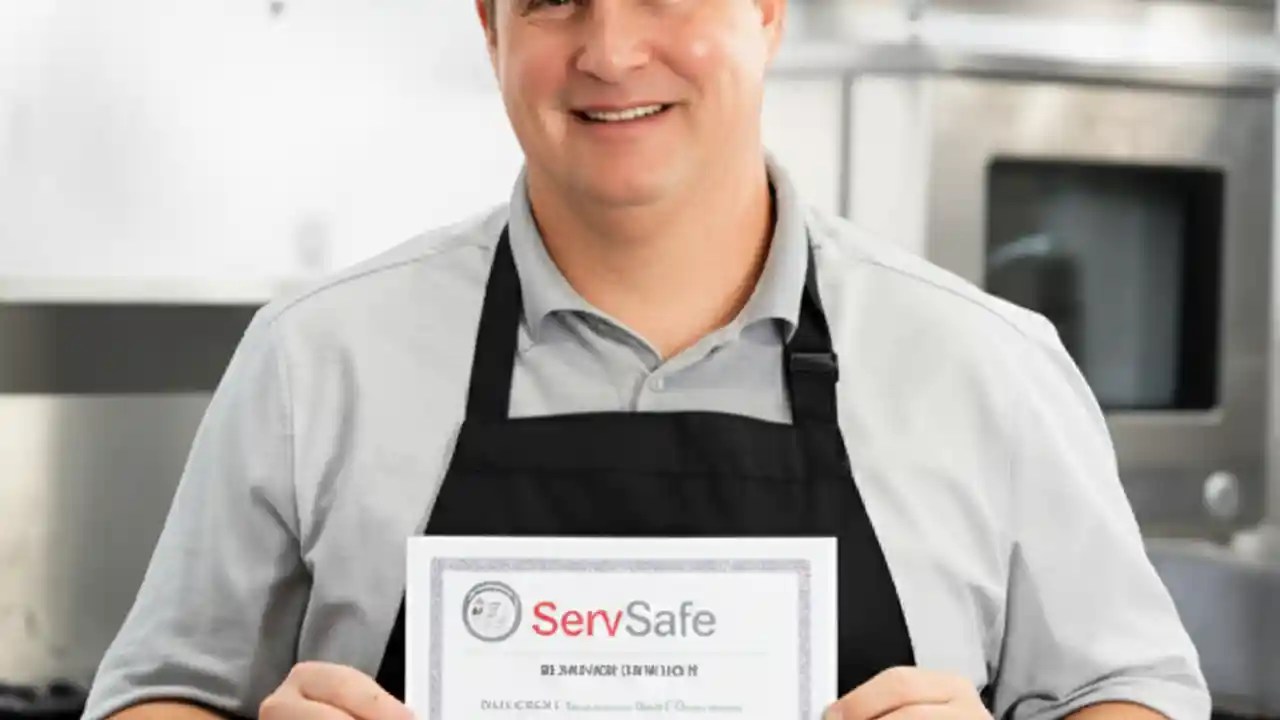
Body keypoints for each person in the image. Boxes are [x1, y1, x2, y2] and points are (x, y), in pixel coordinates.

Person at [84, 0, 1209, 718]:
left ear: (767, 12)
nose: (610, 51)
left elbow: (1132, 692)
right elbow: (159, 694)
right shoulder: (314, 359)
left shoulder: (988, 365)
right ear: (490, 29)